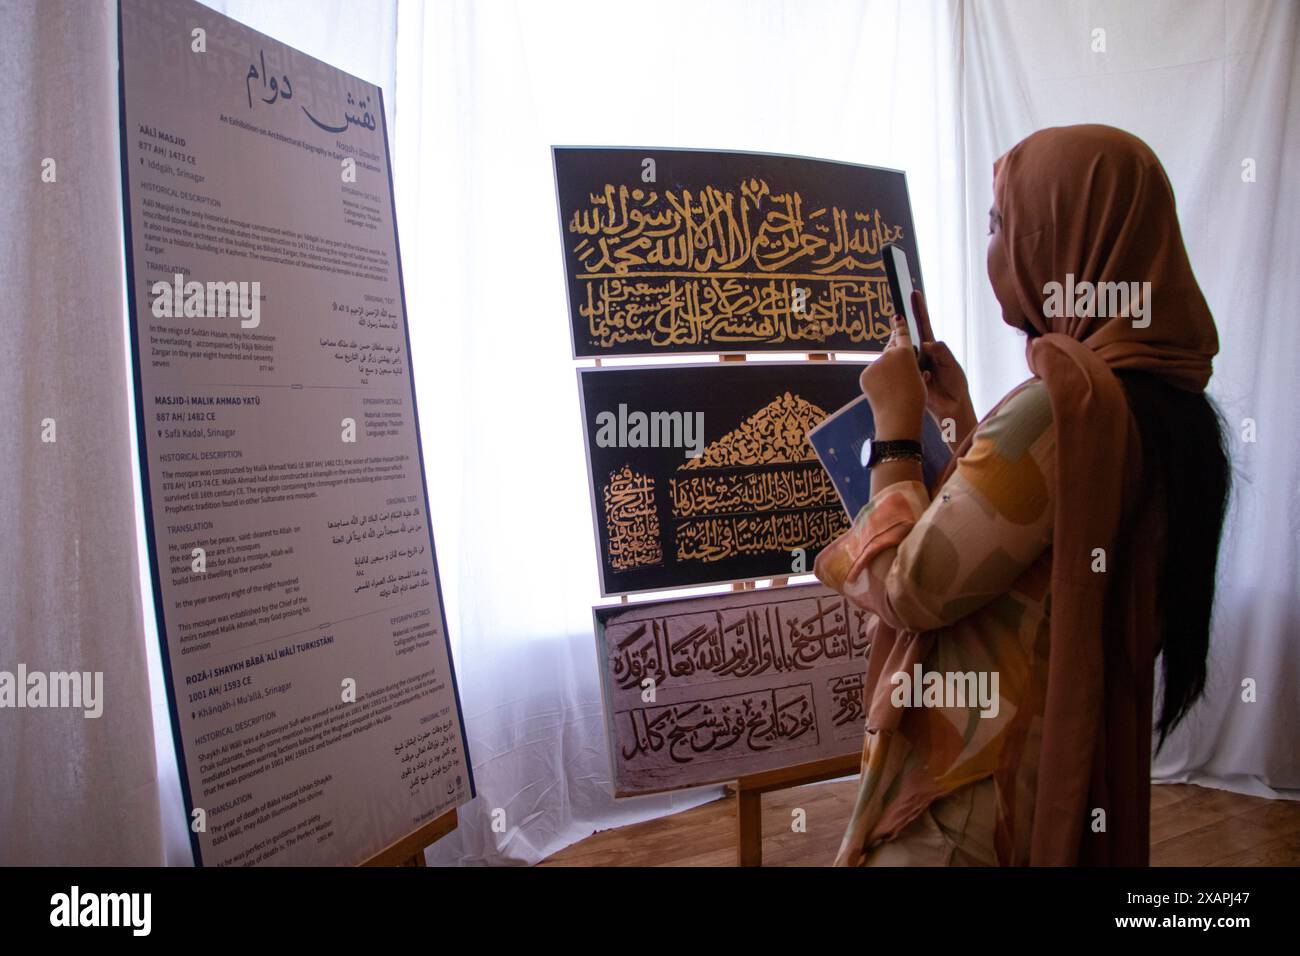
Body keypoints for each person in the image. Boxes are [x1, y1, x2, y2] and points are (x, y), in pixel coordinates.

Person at [815, 124, 1229, 866]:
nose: (993, 251)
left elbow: (911, 587)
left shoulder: (1058, 406)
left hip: (966, 798)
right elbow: (1037, 550)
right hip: (1034, 768)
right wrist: (964, 418)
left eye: (1002, 224)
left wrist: (896, 429)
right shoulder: (1153, 403)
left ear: (1063, 241)